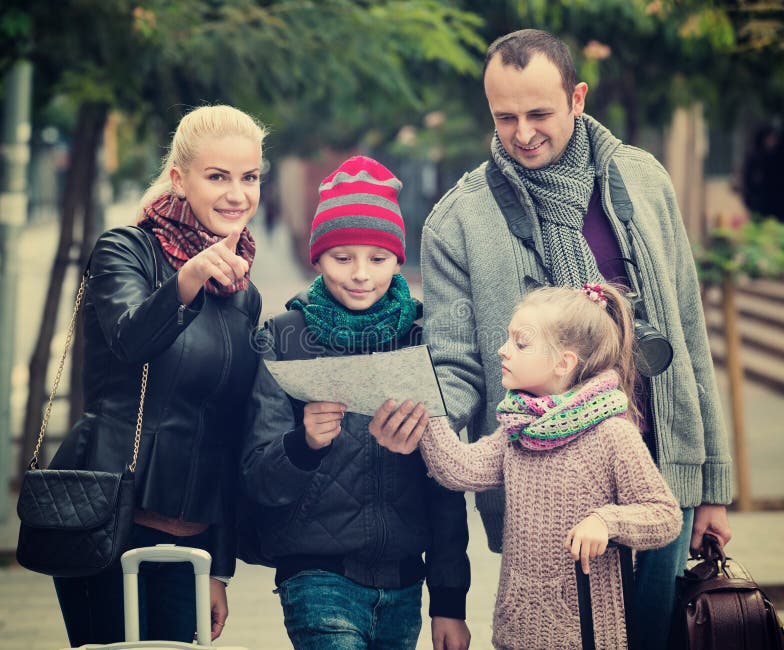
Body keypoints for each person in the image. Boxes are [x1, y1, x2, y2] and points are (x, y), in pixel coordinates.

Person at [419, 29, 732, 650]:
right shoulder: (458, 221)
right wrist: (423, 415)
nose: (522, 133)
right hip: (544, 500)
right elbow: (453, 368)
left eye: (539, 113)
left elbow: (689, 334)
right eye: (505, 117)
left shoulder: (644, 181)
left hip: (659, 473)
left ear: (577, 98)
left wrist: (713, 487)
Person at [50, 104, 266, 645]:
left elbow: (228, 430)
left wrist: (219, 568)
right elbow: (131, 340)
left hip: (190, 535)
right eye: (217, 177)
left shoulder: (244, 293)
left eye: (249, 177)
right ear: (179, 179)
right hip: (106, 517)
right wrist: (188, 279)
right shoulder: (125, 250)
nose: (237, 194)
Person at [240, 156, 471, 650]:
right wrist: (303, 444)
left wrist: (450, 601)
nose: (361, 274)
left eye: (378, 259)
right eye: (342, 258)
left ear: (398, 260)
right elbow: (256, 477)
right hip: (315, 575)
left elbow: (447, 486)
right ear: (317, 259)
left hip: (405, 582)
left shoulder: (421, 339)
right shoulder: (283, 339)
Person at [418, 283, 683, 648]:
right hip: (518, 631)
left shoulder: (611, 434)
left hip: (587, 635)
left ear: (563, 363)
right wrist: (425, 408)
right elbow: (458, 468)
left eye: (520, 343)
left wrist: (607, 521)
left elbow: (664, 515)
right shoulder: (518, 429)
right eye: (508, 339)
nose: (503, 350)